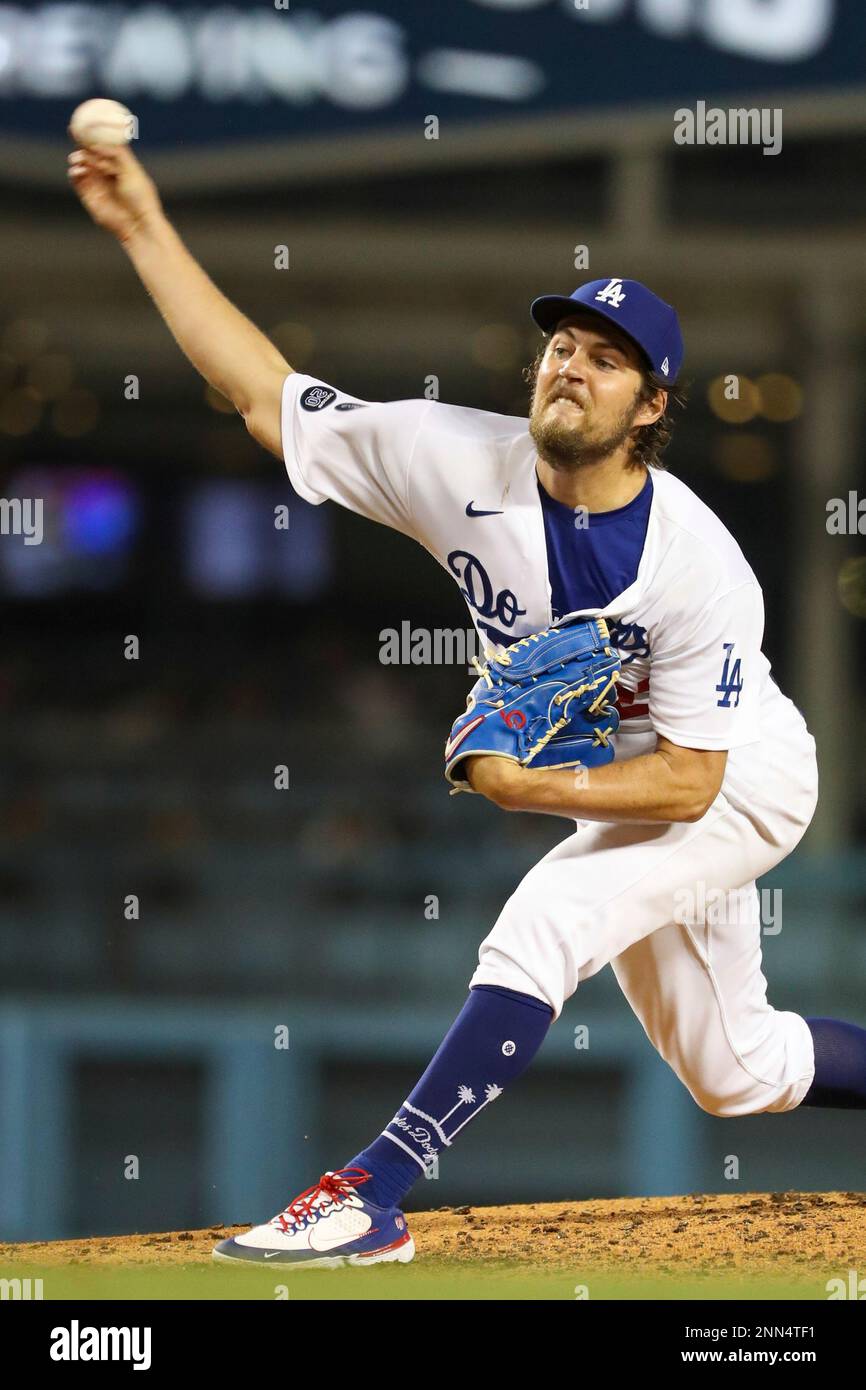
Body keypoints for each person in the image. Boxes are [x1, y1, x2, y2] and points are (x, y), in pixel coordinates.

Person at [69, 142, 866, 1271]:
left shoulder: (697, 562)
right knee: (733, 1072)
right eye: (561, 344)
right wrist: (141, 224)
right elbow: (260, 394)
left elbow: (691, 781)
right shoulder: (450, 461)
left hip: (739, 780)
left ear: (650, 406)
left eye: (605, 359)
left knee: (544, 924)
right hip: (623, 790)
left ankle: (369, 1192)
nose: (569, 366)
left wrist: (523, 784)